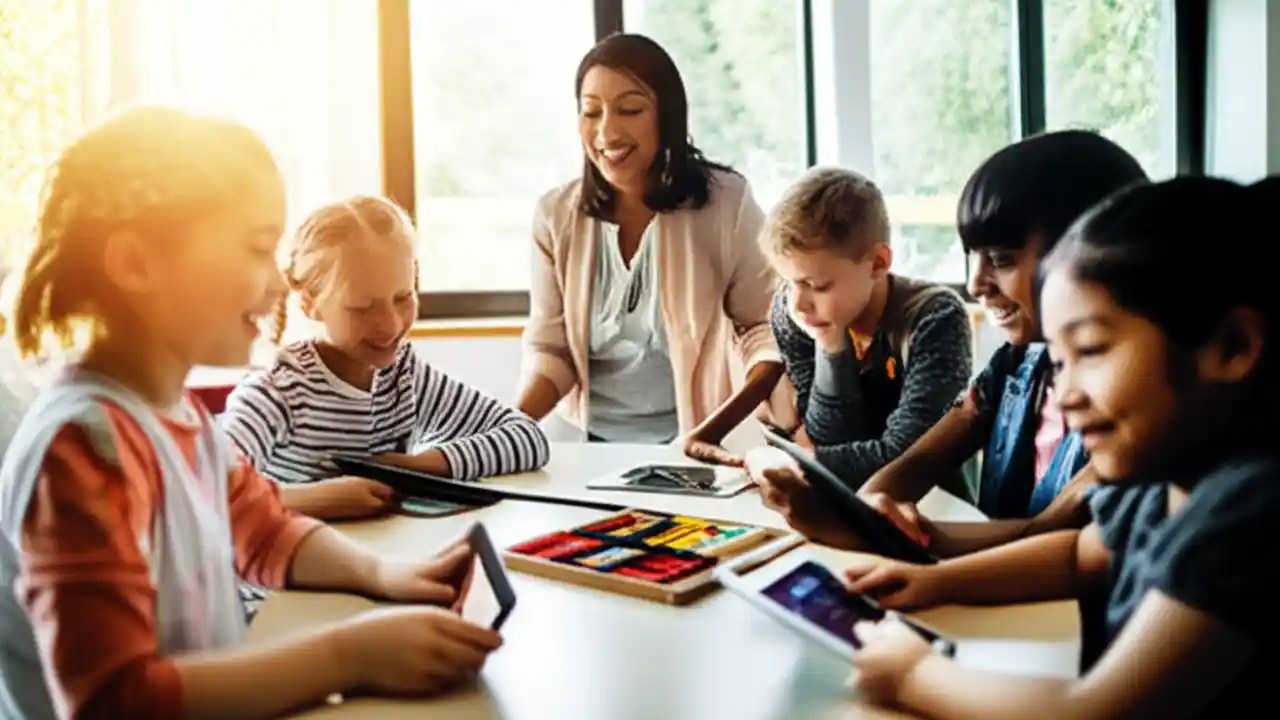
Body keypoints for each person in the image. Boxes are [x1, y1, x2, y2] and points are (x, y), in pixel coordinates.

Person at [0, 108, 501, 719]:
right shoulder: (82, 449)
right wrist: (349, 657)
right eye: (258, 249)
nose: (278, 284)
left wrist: (386, 575)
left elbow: (262, 528)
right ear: (136, 264)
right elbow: (113, 700)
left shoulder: (174, 413)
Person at [845, 177, 1279, 719]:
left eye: (1092, 350)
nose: (1067, 395)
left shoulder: (1251, 508)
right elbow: (1078, 555)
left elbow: (1098, 712)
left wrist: (913, 673)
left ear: (1233, 346)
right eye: (1059, 362)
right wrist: (933, 580)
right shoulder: (1160, 482)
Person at [748, 131, 1148, 556]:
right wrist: (870, 512)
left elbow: (1053, 540)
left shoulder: (1138, 401)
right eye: (972, 258)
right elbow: (913, 464)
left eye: (1001, 259)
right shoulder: (1011, 367)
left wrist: (904, 535)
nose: (976, 285)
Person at [517, 33, 792, 466]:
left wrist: (732, 424)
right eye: (591, 111)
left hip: (693, 446)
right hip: (581, 449)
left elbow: (763, 327)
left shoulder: (727, 202)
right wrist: (507, 428)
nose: (606, 131)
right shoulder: (555, 215)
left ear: (666, 115)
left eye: (629, 109)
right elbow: (552, 352)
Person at [221, 195, 550, 521]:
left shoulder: (404, 375)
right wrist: (315, 499)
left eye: (403, 297)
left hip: (386, 563)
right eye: (363, 308)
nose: (391, 324)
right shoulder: (276, 391)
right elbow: (211, 489)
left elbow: (526, 437)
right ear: (310, 303)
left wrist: (416, 467)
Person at [761, 167, 972, 494]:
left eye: (817, 285)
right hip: (840, 502)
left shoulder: (934, 316)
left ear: (877, 263)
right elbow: (829, 434)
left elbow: (906, 457)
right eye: (789, 283)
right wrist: (830, 344)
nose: (799, 304)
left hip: (930, 509)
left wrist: (806, 459)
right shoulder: (793, 313)